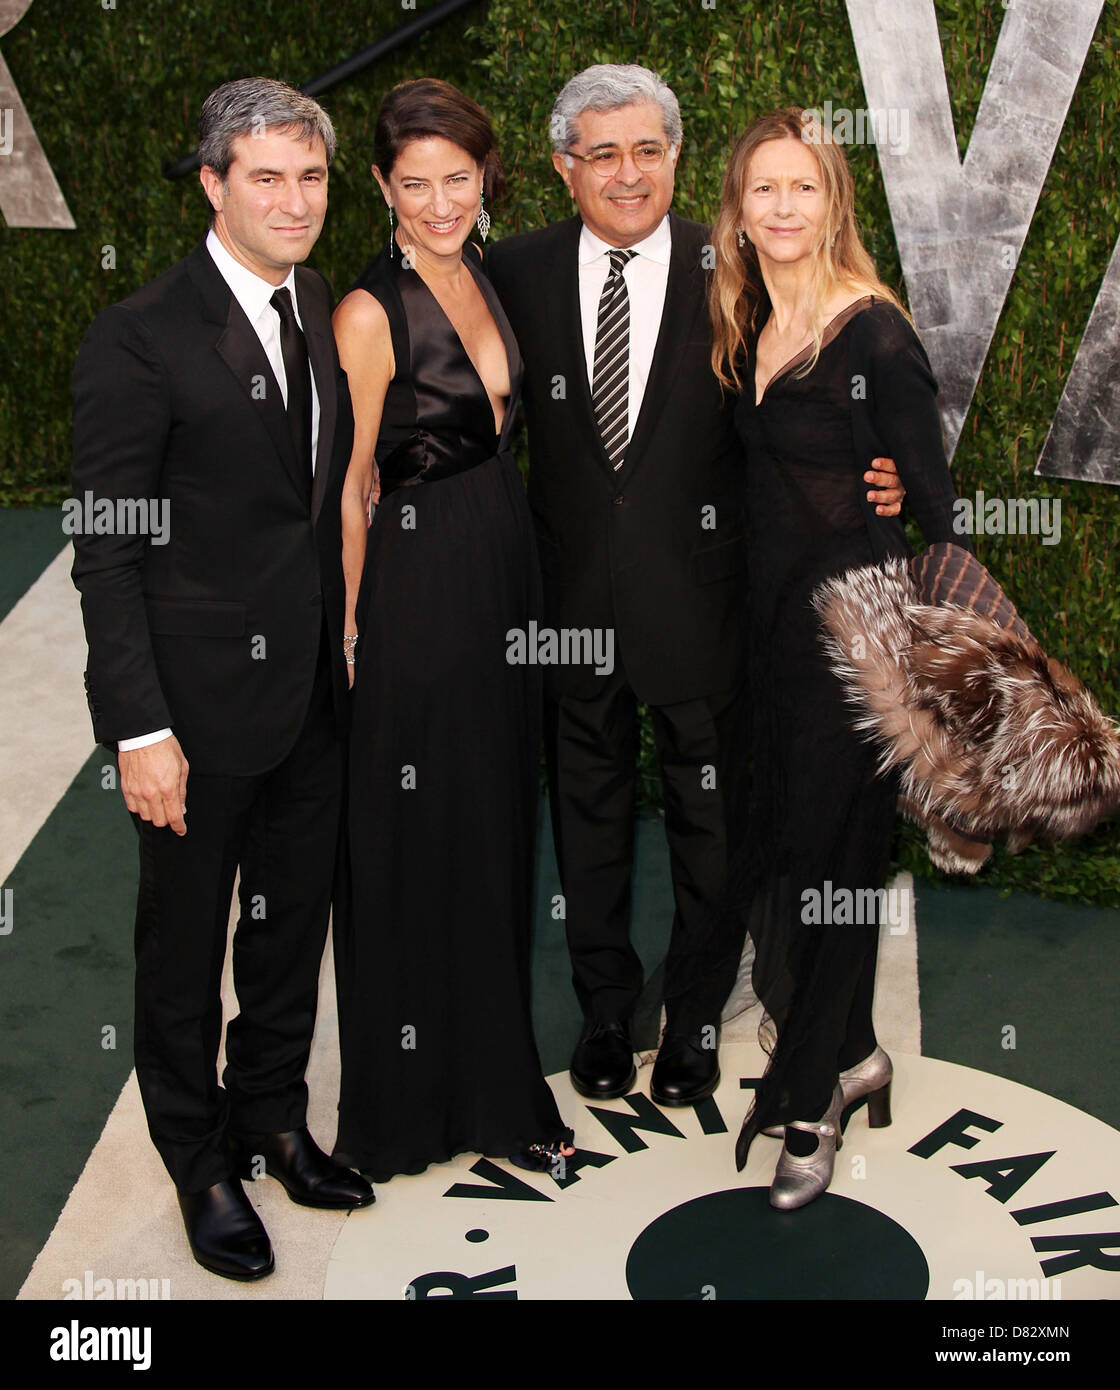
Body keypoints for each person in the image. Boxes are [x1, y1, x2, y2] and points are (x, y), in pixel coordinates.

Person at [485, 66, 906, 1108]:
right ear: (561, 165)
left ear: (675, 156)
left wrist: (878, 475)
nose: (627, 174)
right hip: (572, 614)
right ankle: (601, 1010)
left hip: (706, 610)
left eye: (648, 150)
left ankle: (694, 1016)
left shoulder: (737, 267)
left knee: (708, 822)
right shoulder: (516, 272)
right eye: (602, 152)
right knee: (584, 818)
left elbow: (818, 376)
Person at [70, 77, 374, 1282]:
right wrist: (139, 725)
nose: (293, 200)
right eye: (266, 177)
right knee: (184, 947)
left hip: (309, 697)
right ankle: (197, 1162)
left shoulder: (315, 311)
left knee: (292, 926)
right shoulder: (139, 336)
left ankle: (273, 1118)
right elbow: (106, 546)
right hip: (191, 715)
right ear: (212, 184)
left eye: (309, 177)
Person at [708, 107, 968, 1208]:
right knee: (790, 854)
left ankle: (812, 1099)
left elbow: (941, 505)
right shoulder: (745, 317)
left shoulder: (873, 333)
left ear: (832, 202)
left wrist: (901, 491)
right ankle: (855, 1046)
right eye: (762, 188)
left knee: (832, 866)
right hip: (764, 641)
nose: (780, 208)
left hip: (850, 649)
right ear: (739, 205)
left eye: (801, 188)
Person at [330, 78, 574, 1181]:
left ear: (487, 180)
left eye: (457, 180)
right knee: (411, 839)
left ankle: (493, 1087)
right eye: (414, 183)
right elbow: (346, 490)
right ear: (381, 186)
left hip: (499, 562)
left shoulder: (486, 269)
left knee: (489, 828)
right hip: (418, 589)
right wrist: (347, 631)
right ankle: (401, 1111)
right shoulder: (368, 312)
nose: (437, 202)